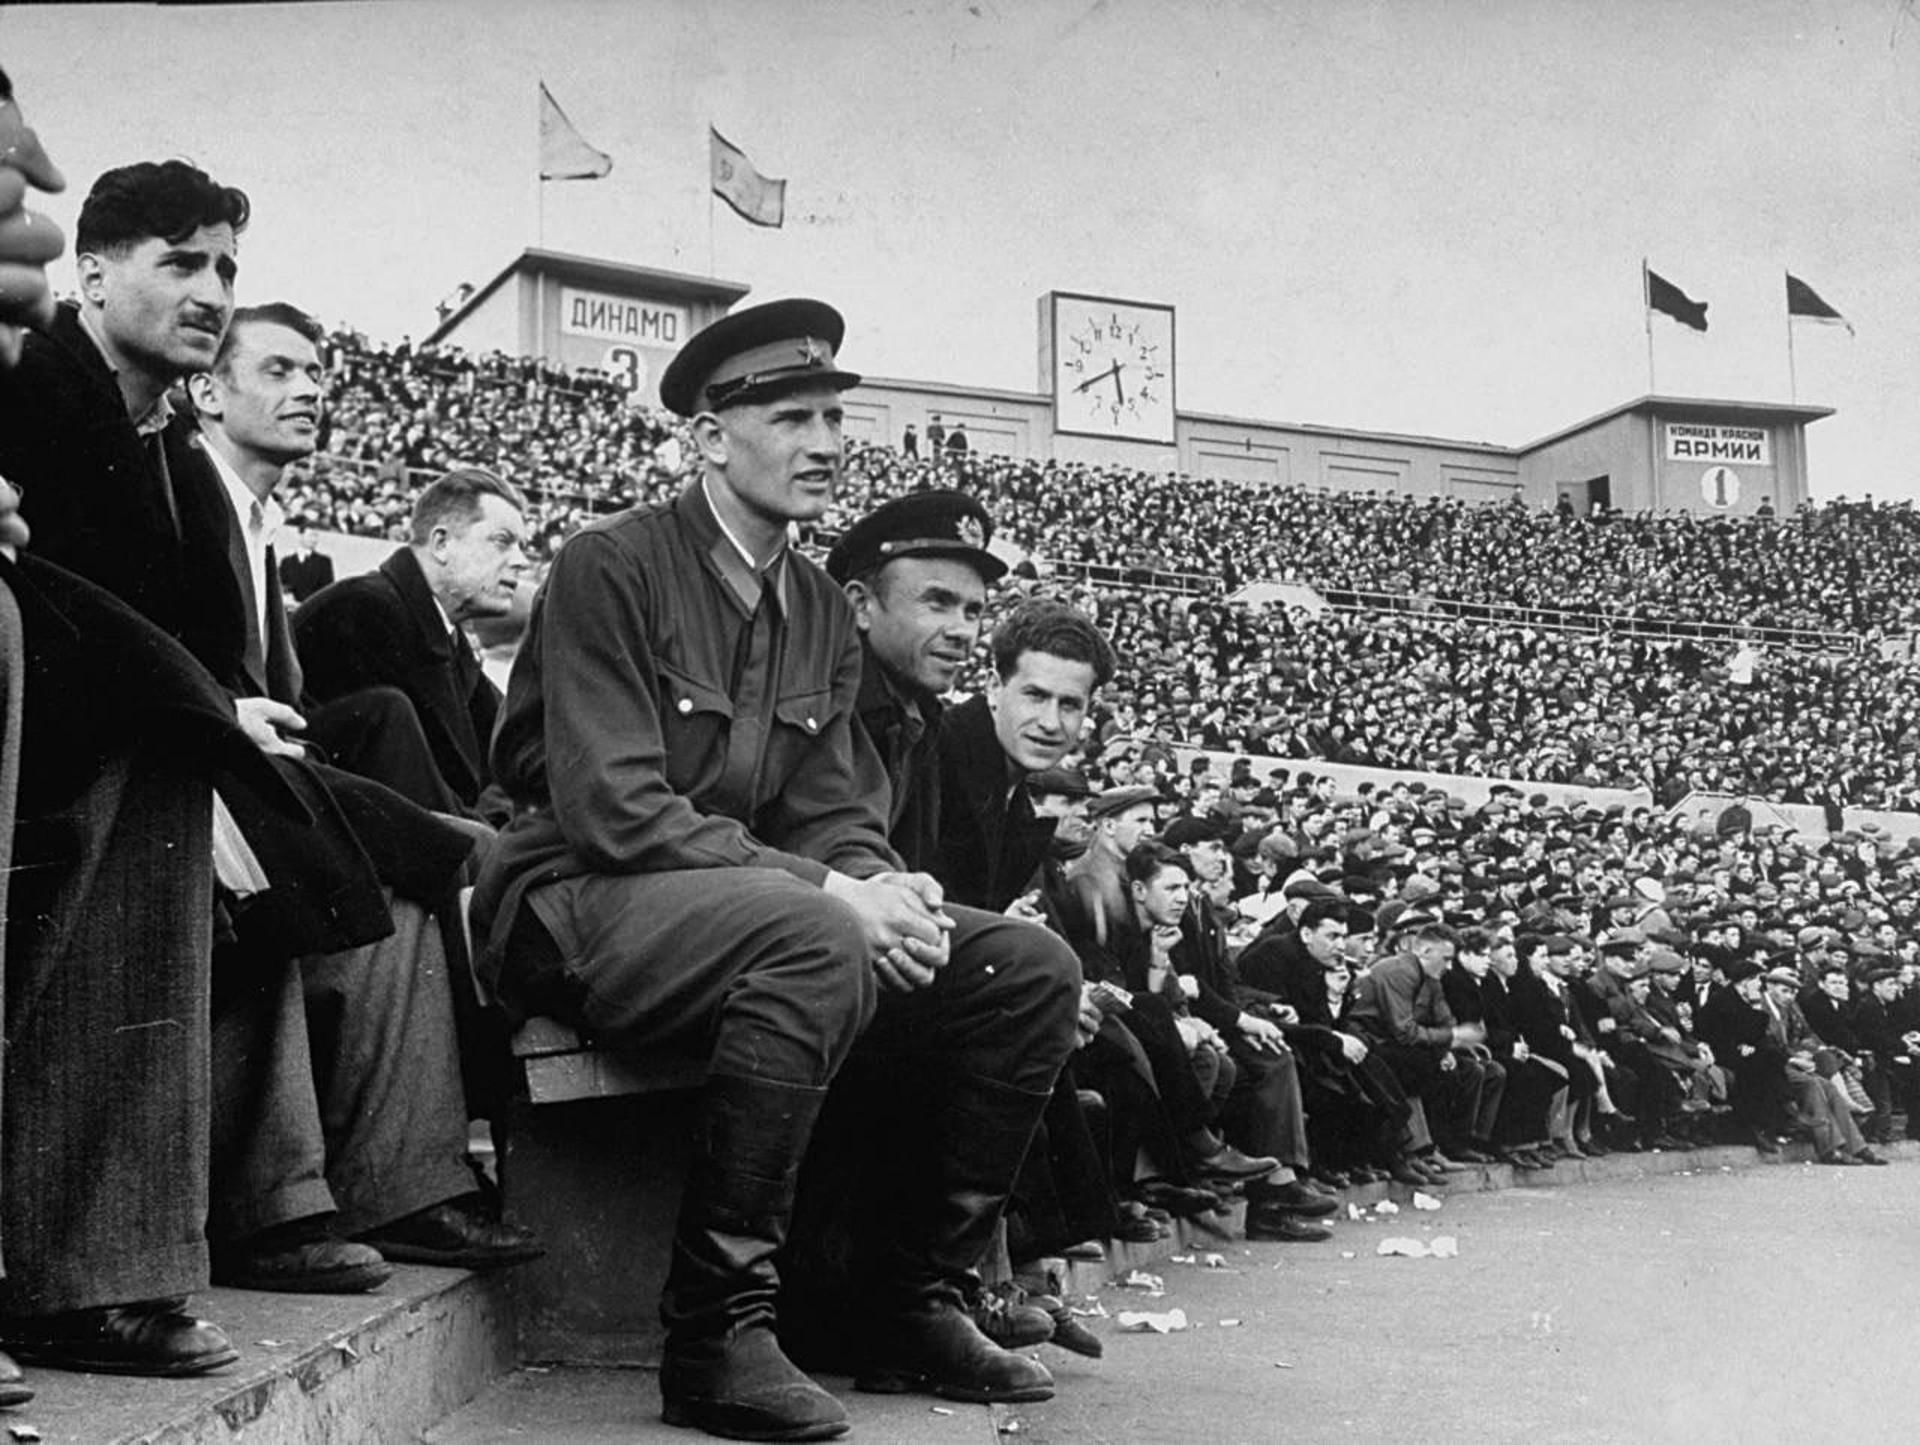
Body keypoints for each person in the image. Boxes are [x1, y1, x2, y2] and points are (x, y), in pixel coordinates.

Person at [472, 300, 1078, 1441]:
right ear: (709, 437)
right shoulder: (612, 563)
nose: (827, 442)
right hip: (572, 904)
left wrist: (879, 881)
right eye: (792, 415)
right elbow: (614, 807)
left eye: (834, 416)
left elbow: (836, 810)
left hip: (731, 910)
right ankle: (718, 1331)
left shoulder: (812, 604)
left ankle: (908, 1296)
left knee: (1022, 965)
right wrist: (828, 891)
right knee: (813, 932)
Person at [294, 467, 530, 817]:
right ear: (441, 543)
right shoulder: (360, 613)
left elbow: (513, 743)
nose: (521, 561)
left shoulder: (446, 633)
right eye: (502, 541)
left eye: (522, 547)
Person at [277, 518, 334, 603]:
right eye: (311, 535)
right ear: (300, 535)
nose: (314, 540)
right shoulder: (286, 562)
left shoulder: (324, 562)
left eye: (316, 536)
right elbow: (281, 587)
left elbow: (327, 591)